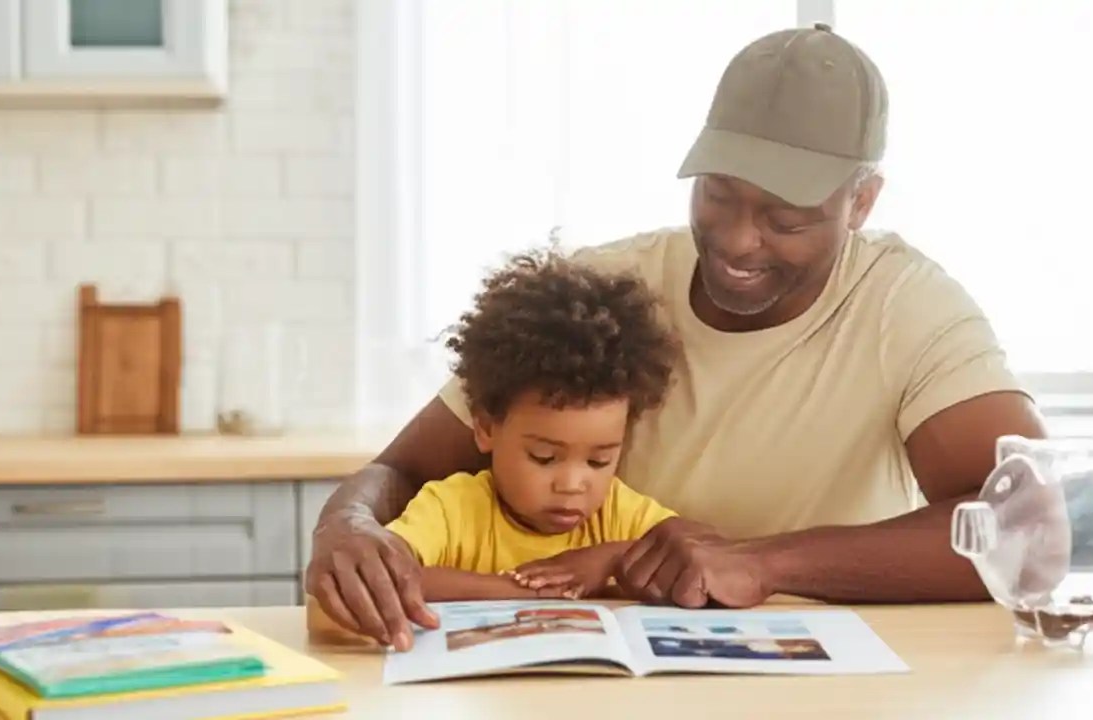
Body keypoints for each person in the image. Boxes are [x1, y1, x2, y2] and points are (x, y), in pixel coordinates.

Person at [306, 23, 1047, 650]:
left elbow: (1032, 526)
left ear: (862, 199)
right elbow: (403, 470)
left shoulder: (907, 308)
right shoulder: (607, 290)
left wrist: (765, 563)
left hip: (824, 679)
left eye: (785, 219)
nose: (738, 241)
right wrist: (346, 523)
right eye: (719, 194)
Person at [309, 249, 682, 642]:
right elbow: (401, 576)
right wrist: (525, 593)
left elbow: (686, 559)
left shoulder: (619, 513)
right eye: (545, 457)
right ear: (486, 428)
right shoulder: (451, 507)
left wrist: (611, 558)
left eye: (599, 460)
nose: (573, 484)